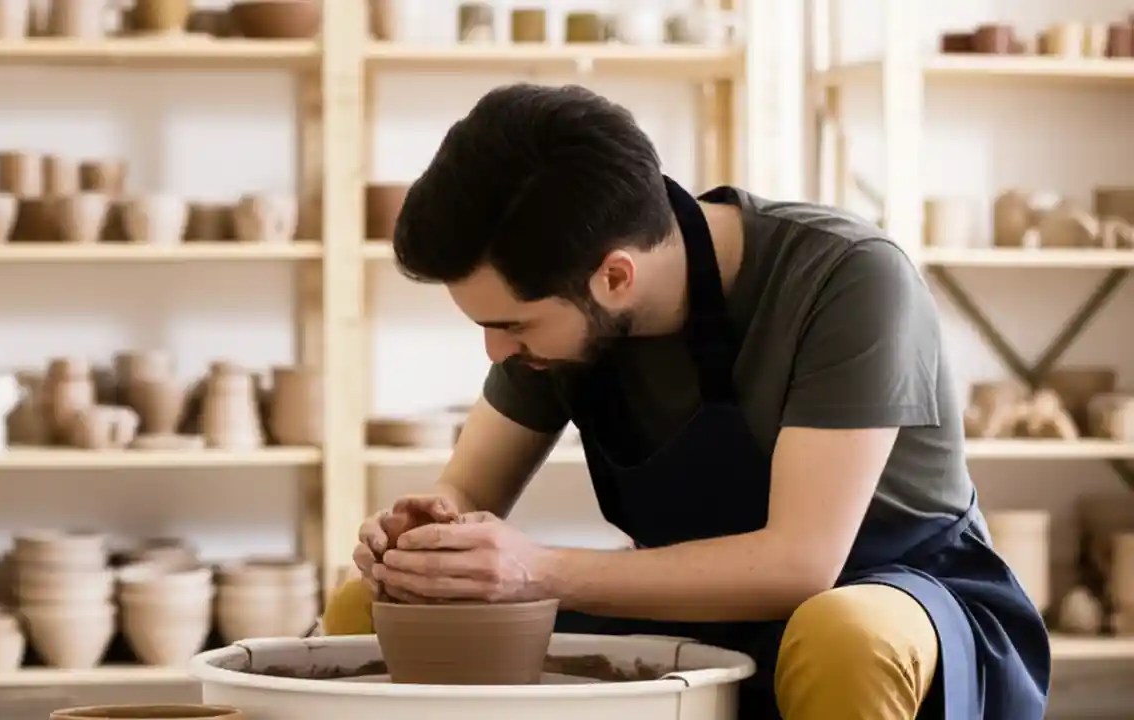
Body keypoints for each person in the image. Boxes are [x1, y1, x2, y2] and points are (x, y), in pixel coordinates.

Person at [319, 83, 1050, 719]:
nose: (496, 353)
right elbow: (468, 487)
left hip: (897, 591)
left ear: (615, 277)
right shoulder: (560, 317)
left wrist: (533, 568)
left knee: (840, 635)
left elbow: (800, 566)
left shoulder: (849, 279)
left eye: (509, 325)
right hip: (702, 602)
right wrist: (423, 539)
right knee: (368, 606)